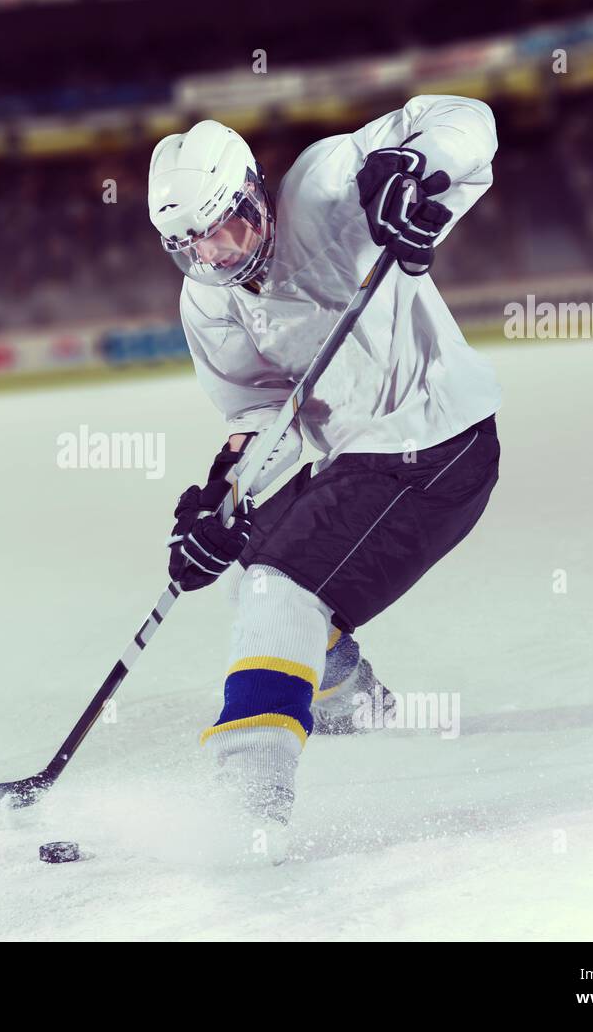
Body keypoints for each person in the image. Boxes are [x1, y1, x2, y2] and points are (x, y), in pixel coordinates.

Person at [148, 96, 503, 831]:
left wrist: (413, 169)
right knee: (251, 568)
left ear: (256, 190)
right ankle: (351, 699)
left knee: (282, 587)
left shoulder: (323, 188)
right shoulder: (209, 302)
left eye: (228, 224)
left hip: (439, 442)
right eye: (194, 245)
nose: (218, 253)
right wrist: (224, 502)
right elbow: (260, 414)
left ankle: (251, 803)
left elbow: (466, 121)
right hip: (362, 458)